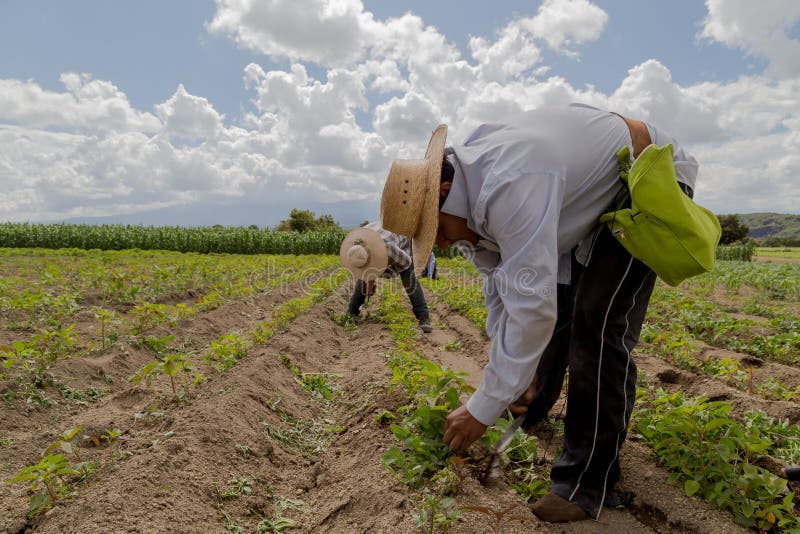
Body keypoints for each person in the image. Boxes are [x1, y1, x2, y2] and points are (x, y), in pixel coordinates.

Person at [379, 103, 698, 522]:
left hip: (646, 177)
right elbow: (502, 292)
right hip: (582, 197)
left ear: (442, 194)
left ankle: (585, 486)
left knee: (596, 324)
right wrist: (510, 379)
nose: (438, 246)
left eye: (433, 231)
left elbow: (532, 308)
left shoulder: (511, 182)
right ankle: (532, 406)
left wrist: (483, 406)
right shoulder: (473, 198)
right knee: (560, 312)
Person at [340, 221, 433, 333]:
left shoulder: (388, 248)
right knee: (362, 280)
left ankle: (424, 317)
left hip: (403, 241)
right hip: (379, 237)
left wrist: (383, 274)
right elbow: (368, 267)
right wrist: (370, 280)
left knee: (409, 280)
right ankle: (351, 315)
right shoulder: (356, 245)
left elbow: (406, 263)